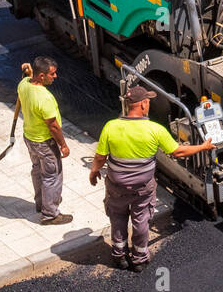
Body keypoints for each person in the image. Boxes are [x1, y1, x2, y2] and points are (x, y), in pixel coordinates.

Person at [89, 85, 215, 272]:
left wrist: (93, 171)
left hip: (117, 185)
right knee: (140, 219)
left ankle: (119, 256)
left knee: (117, 218)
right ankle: (139, 259)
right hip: (142, 187)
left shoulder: (111, 126)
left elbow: (100, 157)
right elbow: (178, 151)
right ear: (143, 104)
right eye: (148, 101)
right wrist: (202, 147)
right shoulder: (155, 130)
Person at [13, 57, 73, 226]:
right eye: (52, 74)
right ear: (41, 76)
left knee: (37, 170)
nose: (55, 76)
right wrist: (63, 145)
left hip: (30, 138)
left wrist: (28, 70)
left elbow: (27, 78)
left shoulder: (23, 84)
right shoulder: (44, 98)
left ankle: (41, 203)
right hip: (45, 143)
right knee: (51, 177)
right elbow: (53, 126)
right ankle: (50, 214)